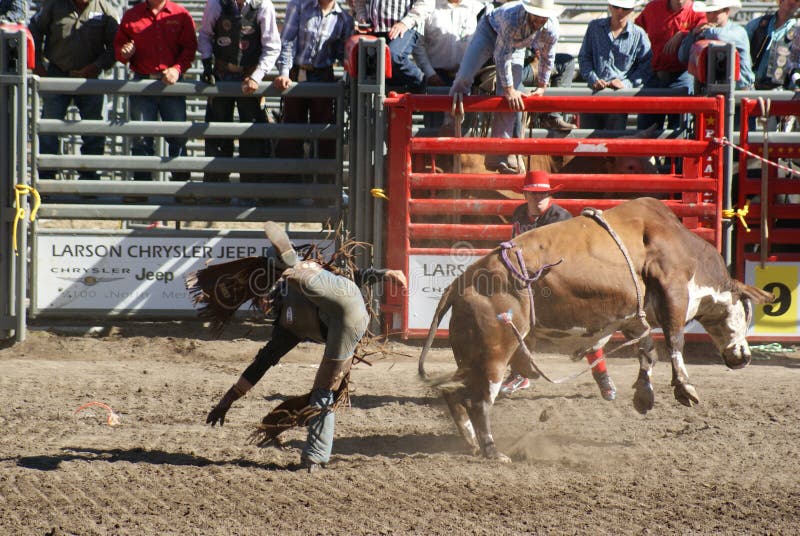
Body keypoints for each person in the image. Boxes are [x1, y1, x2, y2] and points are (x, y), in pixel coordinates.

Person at [201, 222, 407, 472]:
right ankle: (314, 458)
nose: (265, 303)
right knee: (322, 392)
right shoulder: (286, 328)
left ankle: (316, 457)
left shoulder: (286, 324)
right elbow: (260, 365)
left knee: (323, 393)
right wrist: (386, 273)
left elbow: (260, 365)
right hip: (344, 312)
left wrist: (227, 401)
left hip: (341, 304)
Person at [500, 170, 617, 401]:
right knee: (515, 323)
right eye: (533, 193)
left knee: (587, 331)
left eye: (543, 193)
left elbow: (566, 255)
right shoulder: (519, 214)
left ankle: (603, 378)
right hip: (531, 281)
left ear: (549, 195)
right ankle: (520, 374)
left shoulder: (560, 217)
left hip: (562, 280)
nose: (538, 198)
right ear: (525, 194)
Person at [447, 0, 564, 174]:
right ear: (529, 11)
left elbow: (548, 56)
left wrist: (542, 85)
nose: (540, 21)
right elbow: (502, 57)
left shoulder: (551, 28)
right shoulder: (512, 18)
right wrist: (509, 89)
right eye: (537, 16)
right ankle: (449, 122)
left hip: (517, 46)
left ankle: (498, 153)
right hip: (489, 32)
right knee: (464, 76)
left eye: (544, 18)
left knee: (511, 100)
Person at [29, 0, 118, 181]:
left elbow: (115, 45)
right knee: (49, 128)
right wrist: (36, 62)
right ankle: (46, 178)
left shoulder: (105, 9)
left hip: (90, 78)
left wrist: (97, 66)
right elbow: (35, 29)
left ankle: (89, 177)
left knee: (93, 129)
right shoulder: (54, 5)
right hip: (57, 73)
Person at [198, 0, 280, 184]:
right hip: (221, 75)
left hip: (249, 78)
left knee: (252, 134)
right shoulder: (216, 4)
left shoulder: (263, 5)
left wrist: (256, 76)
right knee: (217, 133)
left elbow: (272, 47)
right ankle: (217, 191)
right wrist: (206, 65)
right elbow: (205, 35)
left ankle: (251, 190)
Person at [114, 0, 197, 182]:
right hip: (142, 82)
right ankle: (142, 186)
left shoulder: (180, 15)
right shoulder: (131, 16)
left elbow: (189, 48)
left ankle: (181, 186)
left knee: (178, 137)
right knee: (142, 139)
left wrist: (176, 69)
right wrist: (125, 53)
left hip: (171, 84)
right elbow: (119, 50)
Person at [273, 0, 353, 177]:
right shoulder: (300, 5)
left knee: (325, 132)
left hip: (323, 75)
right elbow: (287, 40)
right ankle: (289, 187)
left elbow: (343, 54)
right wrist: (285, 72)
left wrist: (350, 75)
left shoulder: (344, 18)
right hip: (296, 73)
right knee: (292, 129)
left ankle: (325, 189)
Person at [578, 0, 652, 130]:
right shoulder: (594, 28)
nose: (620, 11)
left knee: (611, 144)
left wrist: (625, 84)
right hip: (594, 96)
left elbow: (646, 67)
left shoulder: (638, 35)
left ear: (631, 10)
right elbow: (584, 57)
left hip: (616, 98)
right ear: (610, 7)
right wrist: (593, 78)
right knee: (589, 145)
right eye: (617, 7)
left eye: (624, 8)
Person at [412, 0, 485, 128]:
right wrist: (430, 74)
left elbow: (485, 44)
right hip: (437, 79)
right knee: (434, 132)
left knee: (465, 134)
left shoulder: (479, 8)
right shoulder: (428, 7)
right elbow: (418, 44)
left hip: (468, 78)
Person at [635, 0, 706, 130]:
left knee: (679, 130)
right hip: (654, 74)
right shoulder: (653, 8)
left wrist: (683, 34)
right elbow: (636, 29)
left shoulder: (698, 10)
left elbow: (707, 27)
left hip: (682, 75)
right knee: (646, 131)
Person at [354, 0, 433, 92]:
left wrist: (405, 23)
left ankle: (419, 80)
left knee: (393, 55)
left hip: (406, 26)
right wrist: (363, 17)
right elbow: (359, 2)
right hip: (375, 27)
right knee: (366, 61)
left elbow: (426, 3)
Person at [678, 0, 753, 90]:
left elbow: (719, 35)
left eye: (716, 12)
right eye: (709, 12)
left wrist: (702, 32)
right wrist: (693, 34)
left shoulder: (738, 32)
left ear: (727, 12)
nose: (711, 16)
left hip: (739, 91)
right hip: (710, 90)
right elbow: (682, 56)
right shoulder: (702, 32)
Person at [746, 0, 799, 90]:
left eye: (798, 1)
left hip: (783, 91)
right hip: (752, 87)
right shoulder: (758, 24)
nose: (795, 3)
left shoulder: (798, 29)